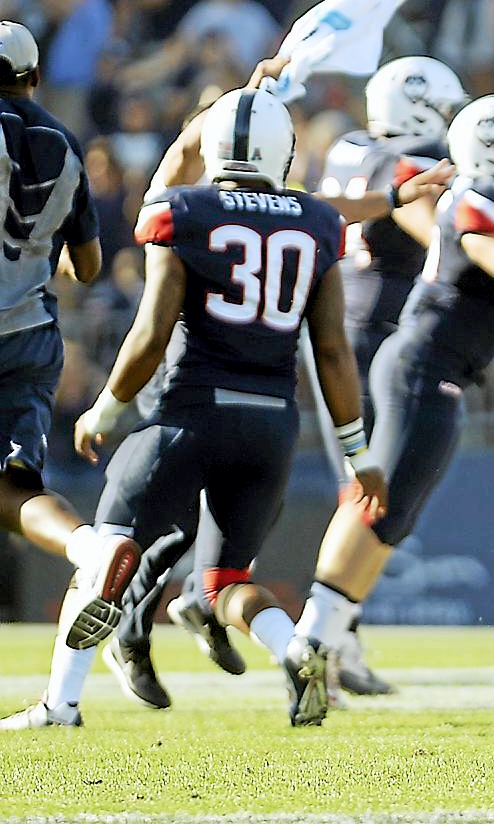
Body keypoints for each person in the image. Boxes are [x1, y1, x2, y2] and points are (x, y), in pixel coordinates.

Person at [5, 88, 385, 730]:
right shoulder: (317, 220)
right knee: (224, 582)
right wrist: (357, 453)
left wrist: (105, 407)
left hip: (186, 415)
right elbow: (333, 352)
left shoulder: (184, 209)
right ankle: (294, 647)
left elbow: (152, 330)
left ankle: (61, 704)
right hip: (270, 425)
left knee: (106, 552)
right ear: (282, 150)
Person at [101, 58, 460, 710]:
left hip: (190, 391)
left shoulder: (190, 205)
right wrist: (399, 197)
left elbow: (175, 195)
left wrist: (104, 408)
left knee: (135, 533)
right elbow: (331, 233)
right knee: (193, 545)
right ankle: (180, 628)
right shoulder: (299, 216)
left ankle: (82, 680)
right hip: (266, 409)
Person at [288, 95, 494, 672]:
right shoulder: (473, 197)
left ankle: (325, 640)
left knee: (395, 510)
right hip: (421, 365)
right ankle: (312, 638)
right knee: (376, 500)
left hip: (437, 367)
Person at [0, 21, 138, 685]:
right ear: (32, 78)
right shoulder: (62, 142)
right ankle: (89, 548)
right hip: (30, 335)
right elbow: (87, 267)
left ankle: (93, 551)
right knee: (14, 485)